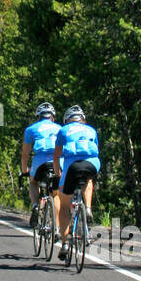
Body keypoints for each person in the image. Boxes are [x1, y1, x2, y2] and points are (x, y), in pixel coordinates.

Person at [54, 106, 100, 260]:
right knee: (88, 179)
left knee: (65, 206)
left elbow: (57, 156)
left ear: (67, 120)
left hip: (71, 167)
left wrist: (57, 172)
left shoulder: (63, 130)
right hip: (93, 164)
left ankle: (65, 243)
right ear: (83, 119)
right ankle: (87, 207)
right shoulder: (91, 130)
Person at [20, 102, 62, 232]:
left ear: (38, 117)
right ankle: (56, 226)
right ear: (52, 117)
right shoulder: (60, 128)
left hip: (39, 161)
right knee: (55, 194)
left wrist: (24, 170)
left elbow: (25, 154)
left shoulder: (31, 129)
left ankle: (35, 206)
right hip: (56, 161)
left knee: (33, 182)